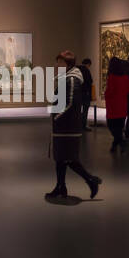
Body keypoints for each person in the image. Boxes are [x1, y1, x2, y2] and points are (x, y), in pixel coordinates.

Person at [45, 50, 101, 200]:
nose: (57, 65)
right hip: (63, 126)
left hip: (67, 126)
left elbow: (71, 103)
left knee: (68, 158)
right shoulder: (67, 78)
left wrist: (57, 116)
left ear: (67, 64)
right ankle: (61, 187)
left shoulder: (71, 80)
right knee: (61, 158)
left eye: (60, 62)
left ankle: (90, 180)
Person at [104, 56, 129, 152]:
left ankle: (121, 142)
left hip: (113, 105)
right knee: (119, 127)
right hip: (122, 104)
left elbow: (110, 91)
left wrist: (105, 95)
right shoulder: (126, 77)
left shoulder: (112, 77)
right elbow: (128, 89)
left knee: (111, 126)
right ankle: (115, 145)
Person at [78, 57, 95, 130]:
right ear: (88, 64)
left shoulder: (76, 69)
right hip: (85, 94)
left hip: (78, 93)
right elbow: (90, 82)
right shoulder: (86, 70)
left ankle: (77, 124)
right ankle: (83, 125)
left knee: (77, 110)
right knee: (85, 111)